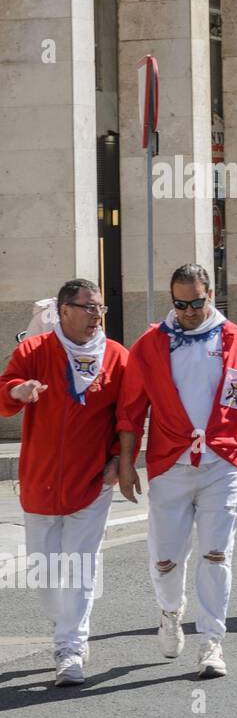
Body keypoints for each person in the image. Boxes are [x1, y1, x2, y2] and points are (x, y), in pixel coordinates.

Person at [117, 264, 237, 679]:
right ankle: (170, 611)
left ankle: (212, 640)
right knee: (165, 558)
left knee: (216, 552)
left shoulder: (235, 339)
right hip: (170, 464)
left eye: (197, 302)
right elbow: (131, 411)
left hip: (222, 462)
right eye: (180, 303)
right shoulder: (150, 345)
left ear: (211, 296)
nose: (189, 310)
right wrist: (126, 463)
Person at [0, 279, 128, 686]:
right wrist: (17, 391)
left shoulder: (117, 357)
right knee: (45, 572)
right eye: (88, 308)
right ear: (64, 310)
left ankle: (70, 646)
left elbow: (127, 416)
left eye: (99, 308)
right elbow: (2, 392)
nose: (96, 316)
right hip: (39, 480)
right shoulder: (33, 351)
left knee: (79, 565)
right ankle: (67, 624)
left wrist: (117, 460)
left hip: (91, 481)